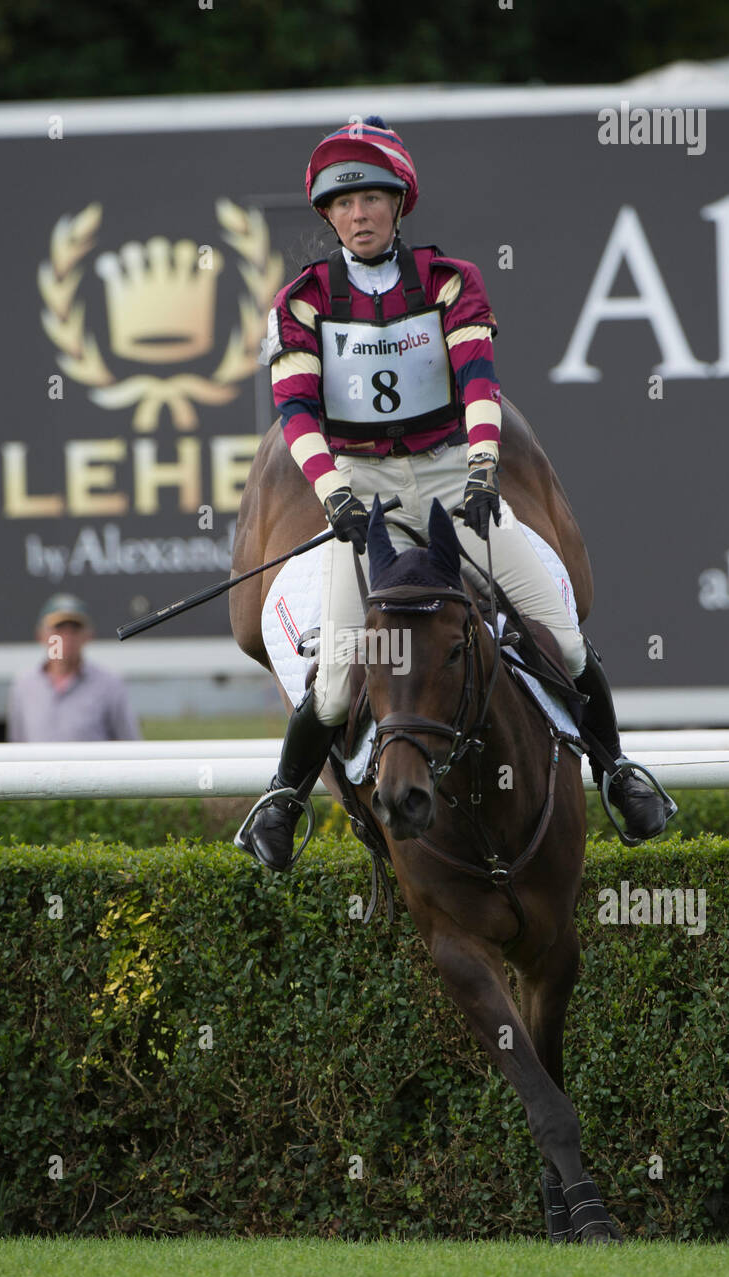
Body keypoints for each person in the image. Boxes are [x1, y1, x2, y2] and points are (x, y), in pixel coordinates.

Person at [237, 116, 670, 869]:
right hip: (362, 489)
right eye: (344, 204)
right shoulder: (301, 301)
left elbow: (478, 381)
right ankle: (282, 802)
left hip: (447, 474)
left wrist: (481, 468)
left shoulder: (450, 281)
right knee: (334, 681)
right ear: (328, 215)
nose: (359, 215)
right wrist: (333, 492)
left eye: (373, 199)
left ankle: (617, 773)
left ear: (399, 204)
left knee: (562, 637)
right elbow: (296, 412)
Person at [7, 594, 140, 741]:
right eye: (59, 629)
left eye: (75, 630)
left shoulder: (109, 684)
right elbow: (18, 744)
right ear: (41, 635)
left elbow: (128, 743)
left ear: (88, 635)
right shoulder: (23, 686)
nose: (67, 637)